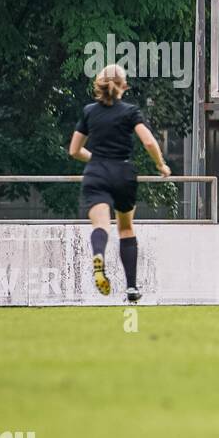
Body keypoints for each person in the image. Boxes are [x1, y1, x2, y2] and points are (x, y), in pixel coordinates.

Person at [67, 64, 170, 302]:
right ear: (124, 86)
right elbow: (149, 142)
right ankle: (132, 288)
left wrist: (96, 159)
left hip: (97, 174)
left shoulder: (89, 111)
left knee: (101, 226)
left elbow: (74, 150)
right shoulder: (130, 111)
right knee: (125, 228)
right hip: (123, 173)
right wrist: (161, 164)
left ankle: (99, 256)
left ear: (100, 85)